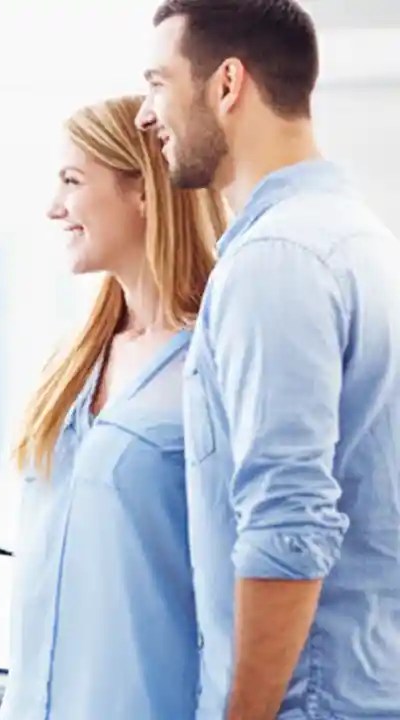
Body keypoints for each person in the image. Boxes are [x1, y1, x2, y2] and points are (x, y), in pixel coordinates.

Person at [136, 1, 400, 718]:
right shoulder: (359, 238)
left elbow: (290, 523)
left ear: (227, 84)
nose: (143, 115)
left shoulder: (276, 262)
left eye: (158, 84)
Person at [0, 95, 226, 720]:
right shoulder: (75, 361)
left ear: (144, 191)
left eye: (73, 181)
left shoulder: (216, 361)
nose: (54, 208)